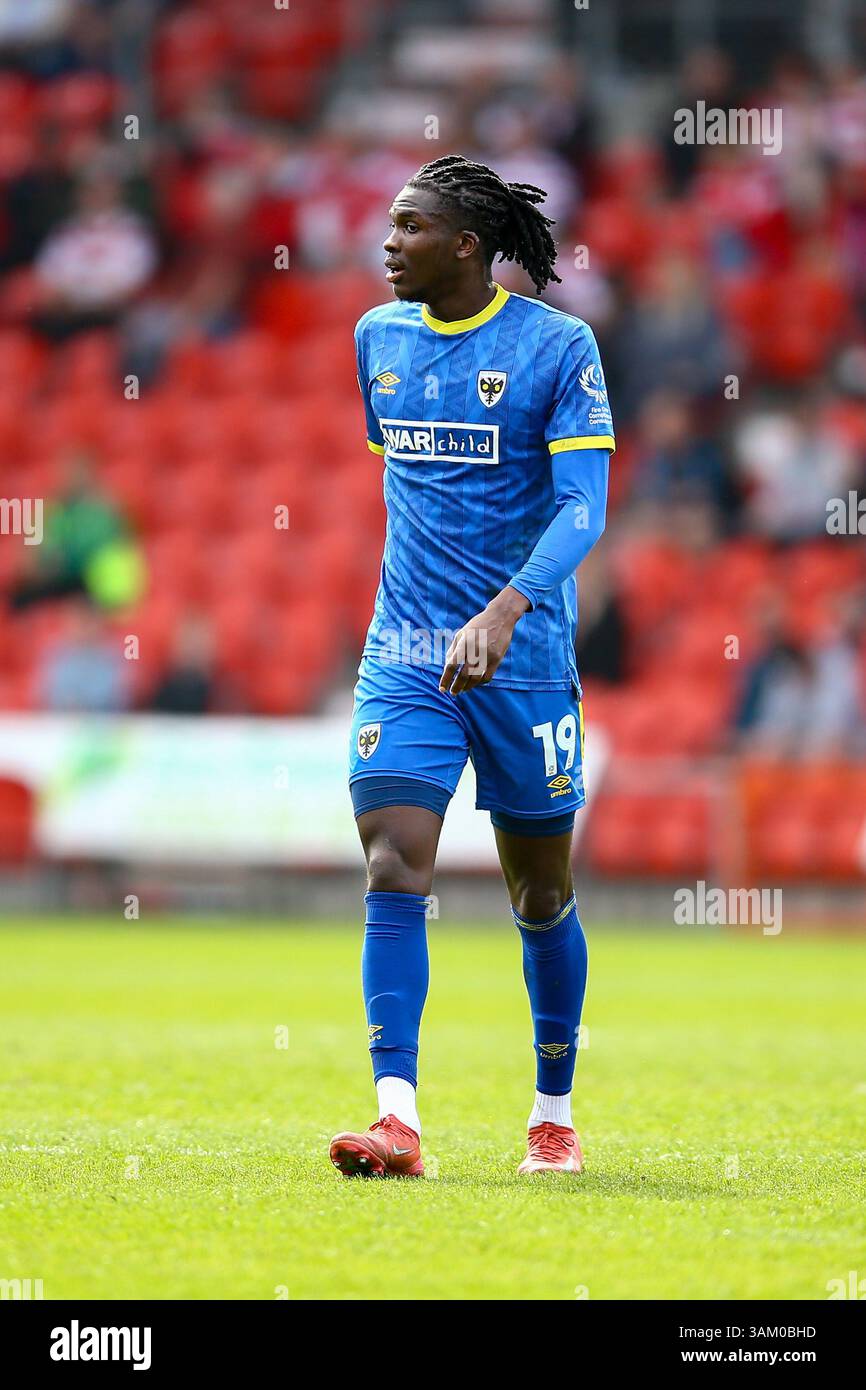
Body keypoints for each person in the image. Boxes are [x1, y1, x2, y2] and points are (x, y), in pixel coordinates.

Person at [329, 155, 615, 1179]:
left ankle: (551, 1111)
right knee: (391, 859)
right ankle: (396, 1119)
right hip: (406, 650)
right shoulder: (377, 338)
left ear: (463, 242)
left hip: (524, 657)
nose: (387, 242)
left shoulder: (556, 348)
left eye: (407, 226)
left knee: (538, 894)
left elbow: (582, 507)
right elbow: (406, 484)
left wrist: (503, 606)